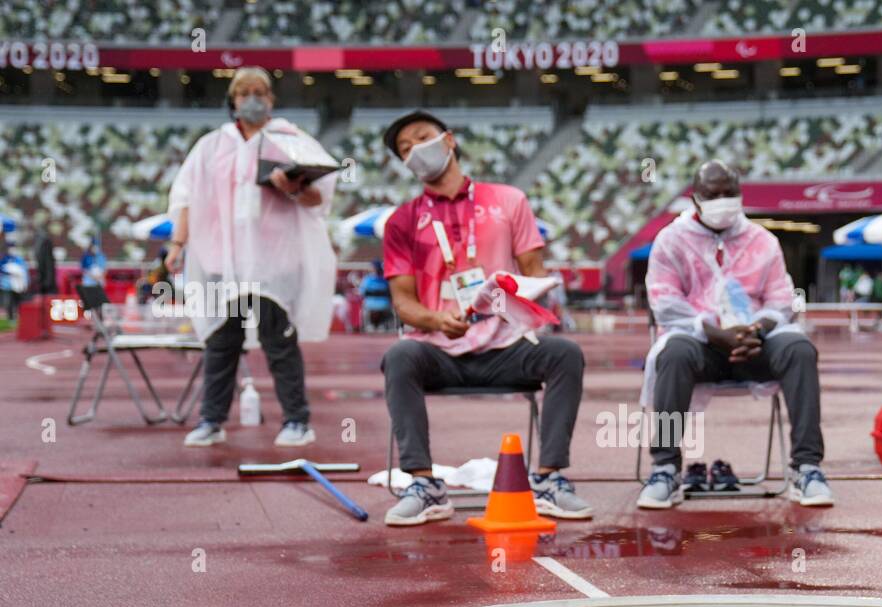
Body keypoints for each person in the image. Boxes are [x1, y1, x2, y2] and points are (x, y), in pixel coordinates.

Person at [378, 110, 592, 526]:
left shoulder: (509, 200)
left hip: (506, 346)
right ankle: (424, 485)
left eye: (421, 138)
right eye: (405, 150)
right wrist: (439, 321)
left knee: (565, 354)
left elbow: (535, 274)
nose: (415, 151)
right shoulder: (402, 222)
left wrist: (513, 300)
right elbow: (403, 302)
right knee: (400, 356)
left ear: (449, 140)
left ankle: (548, 478)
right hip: (439, 350)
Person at [640, 159, 831, 508]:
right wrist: (714, 333)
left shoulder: (762, 241)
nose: (723, 200)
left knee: (799, 347)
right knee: (674, 353)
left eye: (731, 193)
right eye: (714, 194)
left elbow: (781, 298)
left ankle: (807, 467)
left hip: (755, 344)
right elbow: (665, 303)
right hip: (700, 346)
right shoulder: (670, 240)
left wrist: (756, 330)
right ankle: (665, 468)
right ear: (696, 197)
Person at [166, 66, 337, 449]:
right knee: (220, 341)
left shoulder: (291, 141)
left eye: (260, 92)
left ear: (272, 99)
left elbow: (320, 196)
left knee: (279, 340)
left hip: (274, 261)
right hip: (219, 260)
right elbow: (186, 198)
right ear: (233, 101)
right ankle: (211, 419)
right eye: (244, 93)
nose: (253, 99)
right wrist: (178, 245)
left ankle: (296, 420)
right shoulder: (211, 146)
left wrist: (293, 188)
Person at [0, 235, 29, 326]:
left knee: (18, 303)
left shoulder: (18, 259)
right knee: (8, 303)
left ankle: (20, 319)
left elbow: (24, 271)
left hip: (18, 285)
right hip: (7, 285)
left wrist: (25, 283)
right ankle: (11, 319)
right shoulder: (4, 259)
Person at [360, 260, 393, 331]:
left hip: (370, 305)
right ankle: (383, 325)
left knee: (365, 308)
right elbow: (391, 292)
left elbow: (362, 293)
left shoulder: (367, 280)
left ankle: (370, 325)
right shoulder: (387, 279)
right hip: (385, 304)